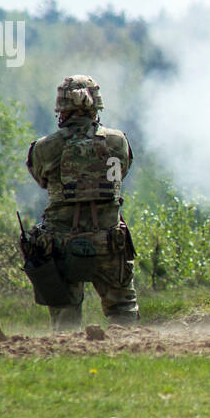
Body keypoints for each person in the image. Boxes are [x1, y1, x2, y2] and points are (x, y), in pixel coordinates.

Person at [23, 75, 139, 330]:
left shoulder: (44, 148)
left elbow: (41, 180)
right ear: (96, 106)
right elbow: (122, 173)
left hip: (62, 244)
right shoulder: (118, 141)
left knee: (65, 322)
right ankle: (132, 360)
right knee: (123, 312)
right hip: (110, 242)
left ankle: (69, 364)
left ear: (61, 109)